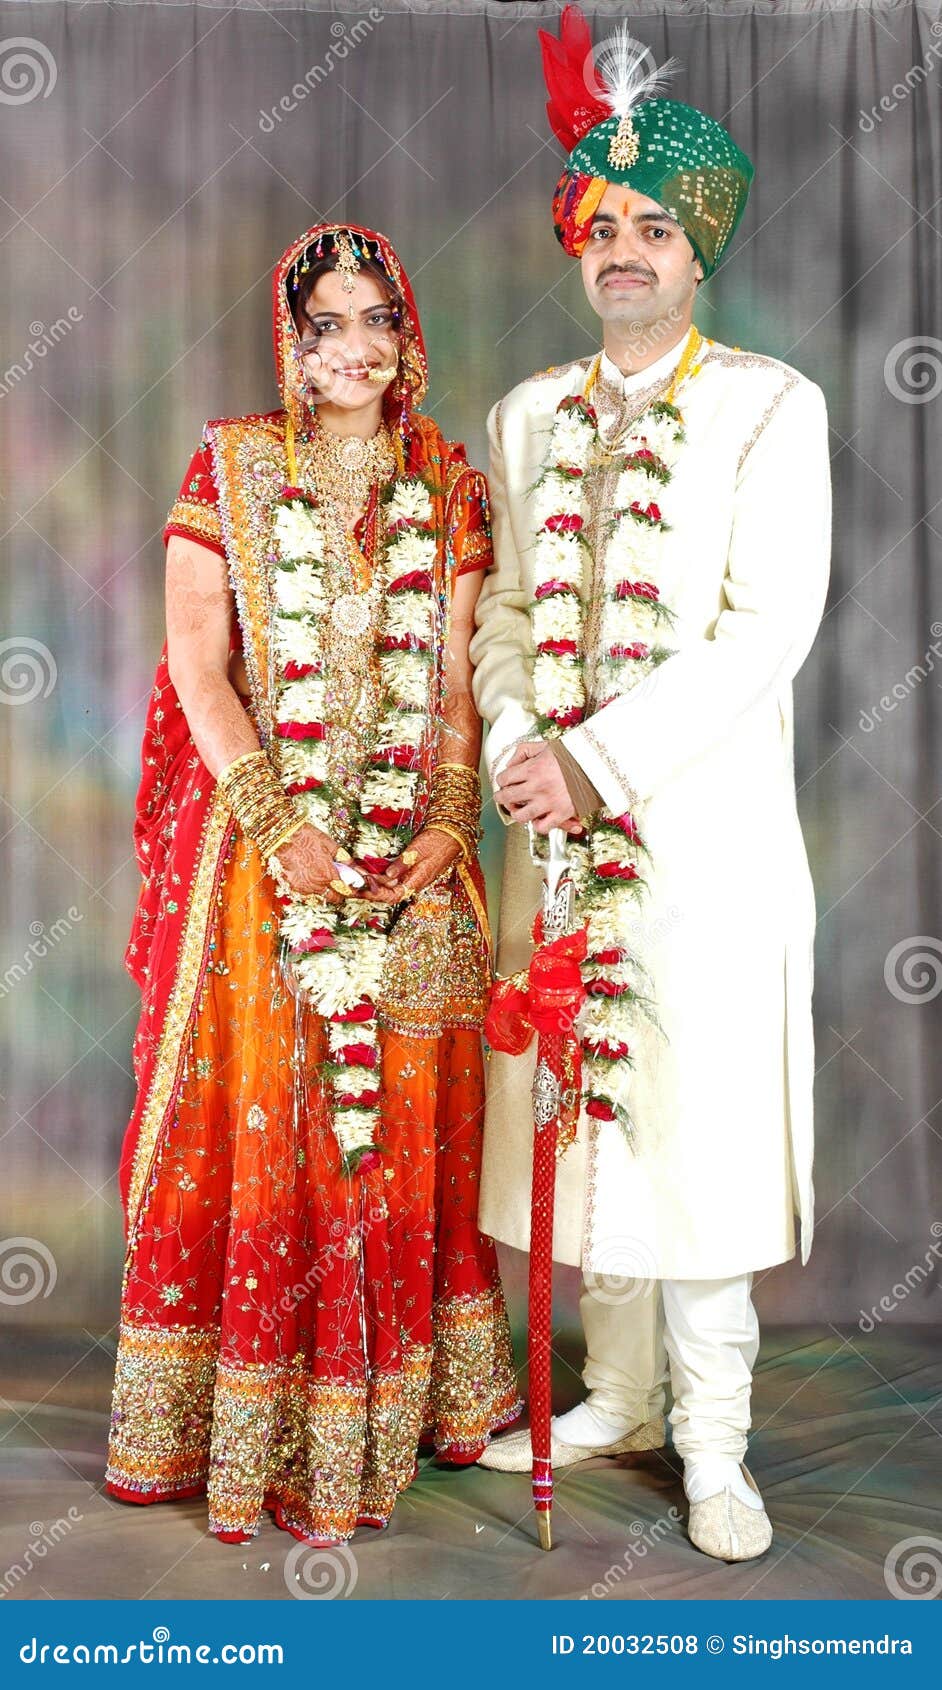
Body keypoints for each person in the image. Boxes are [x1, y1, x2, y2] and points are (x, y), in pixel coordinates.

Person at [471, 6, 831, 1563]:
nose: (622, 250)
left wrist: (596, 762)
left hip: (701, 844)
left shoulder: (771, 404)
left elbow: (770, 625)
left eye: (651, 229)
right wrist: (508, 749)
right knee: (579, 1117)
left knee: (693, 1131)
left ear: (698, 254)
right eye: (600, 225)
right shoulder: (526, 414)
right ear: (578, 247)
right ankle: (609, 1391)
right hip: (547, 837)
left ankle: (714, 1443)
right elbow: (497, 611)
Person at [105, 221, 521, 1547]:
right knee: (270, 1129)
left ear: (407, 337)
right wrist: (277, 823)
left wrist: (450, 825)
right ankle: (242, 1428)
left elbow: (456, 691)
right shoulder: (232, 466)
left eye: (376, 322)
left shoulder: (448, 486)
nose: (354, 350)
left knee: (392, 1144)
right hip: (263, 862)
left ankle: (372, 1421)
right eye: (326, 324)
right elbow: (196, 666)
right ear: (291, 341)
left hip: (405, 859)